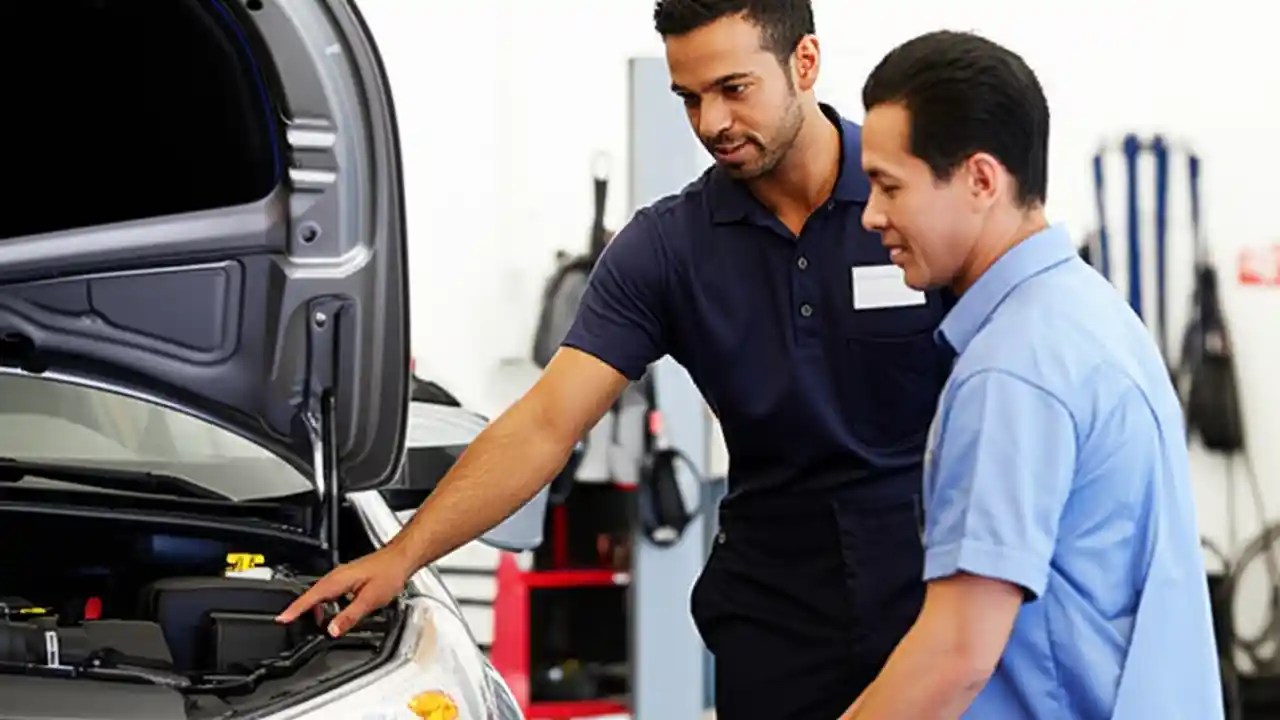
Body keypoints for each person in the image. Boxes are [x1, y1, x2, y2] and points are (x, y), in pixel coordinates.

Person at [277, 2, 955, 717]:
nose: (712, 123)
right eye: (689, 98)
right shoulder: (667, 250)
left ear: (805, 63)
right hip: (777, 620)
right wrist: (401, 556)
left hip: (936, 602)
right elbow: (544, 424)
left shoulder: (912, 204)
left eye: (734, 88)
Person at [840, 30, 1224, 719]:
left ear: (982, 180)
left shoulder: (1013, 371)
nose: (871, 215)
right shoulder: (1089, 314)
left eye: (888, 186)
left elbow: (955, 654)